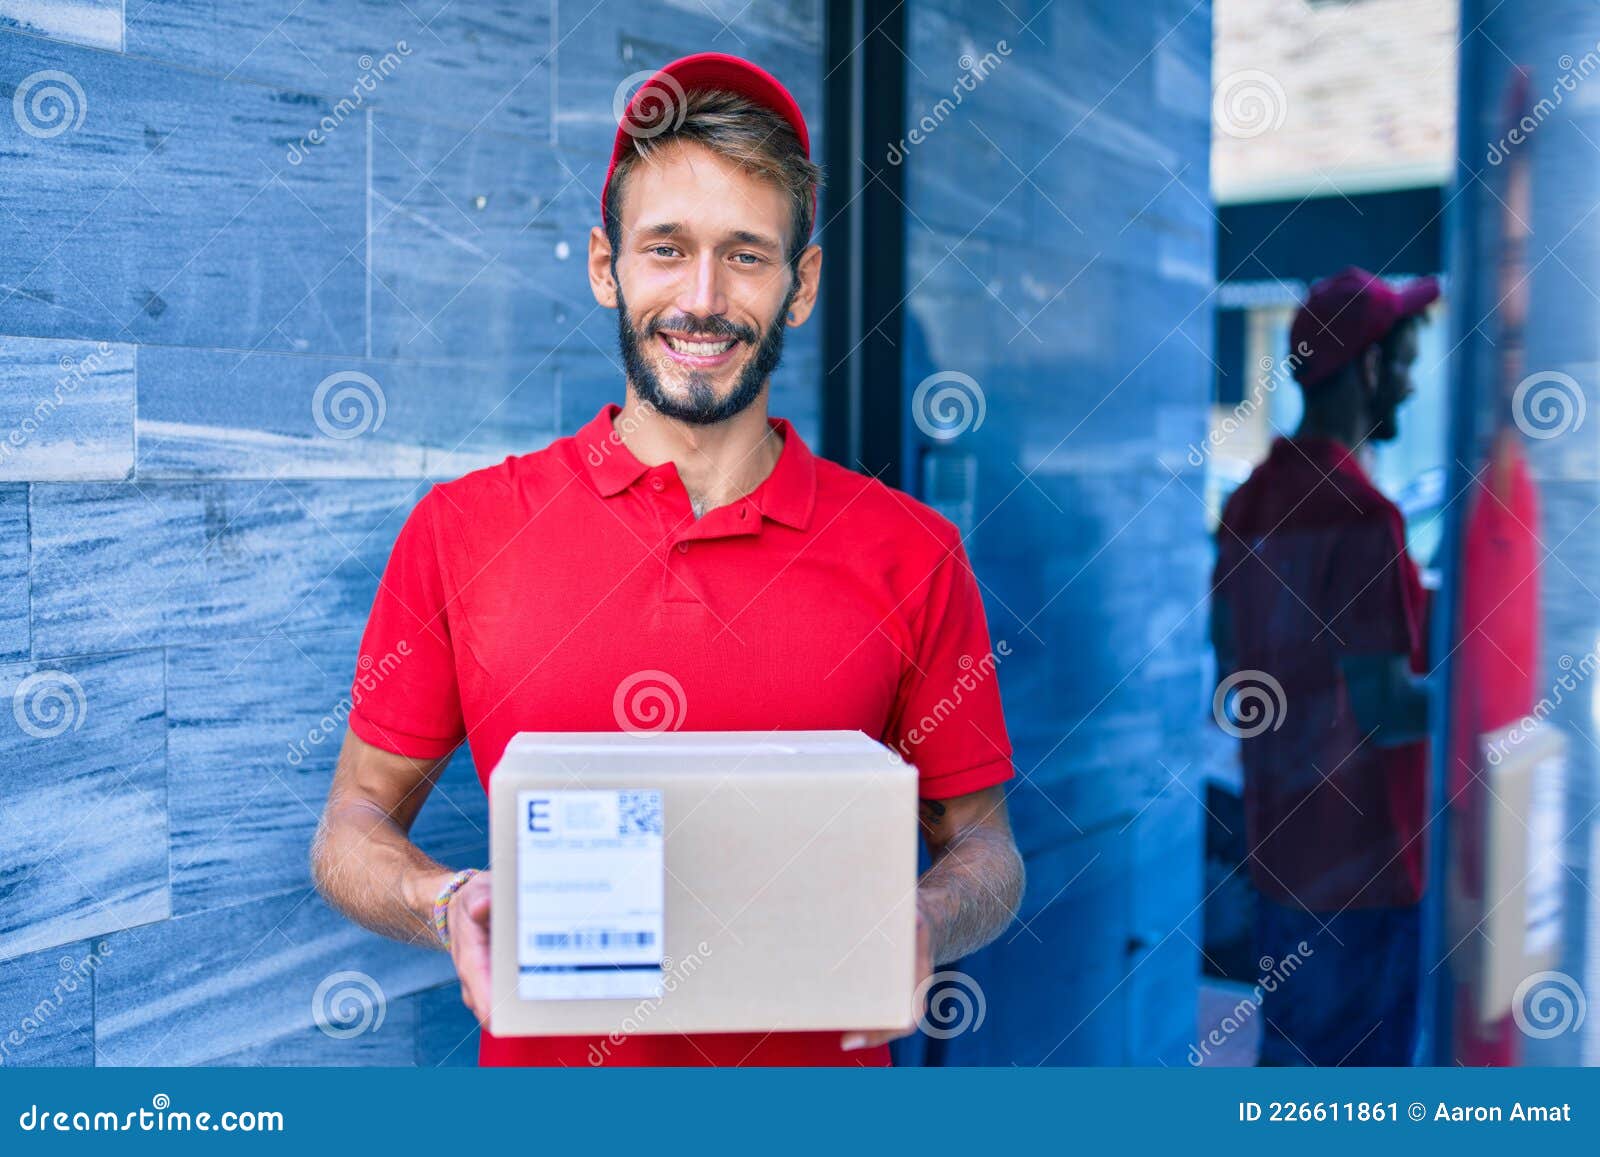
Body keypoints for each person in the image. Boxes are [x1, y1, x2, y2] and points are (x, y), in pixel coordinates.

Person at [310, 52, 1025, 1067]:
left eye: (745, 254)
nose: (701, 298)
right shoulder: (463, 531)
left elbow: (986, 847)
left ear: (801, 283)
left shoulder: (911, 554)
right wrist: (444, 898)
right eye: (665, 248)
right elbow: (351, 822)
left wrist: (924, 916)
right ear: (607, 266)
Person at [1209, 266, 1437, 1066]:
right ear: (1370, 366)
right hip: (1369, 876)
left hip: (1280, 860)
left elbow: (1232, 664)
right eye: (1405, 362)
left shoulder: (1251, 502)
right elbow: (1386, 708)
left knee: (1293, 1073)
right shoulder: (1366, 517)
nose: (1409, 385)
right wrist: (1484, 689)